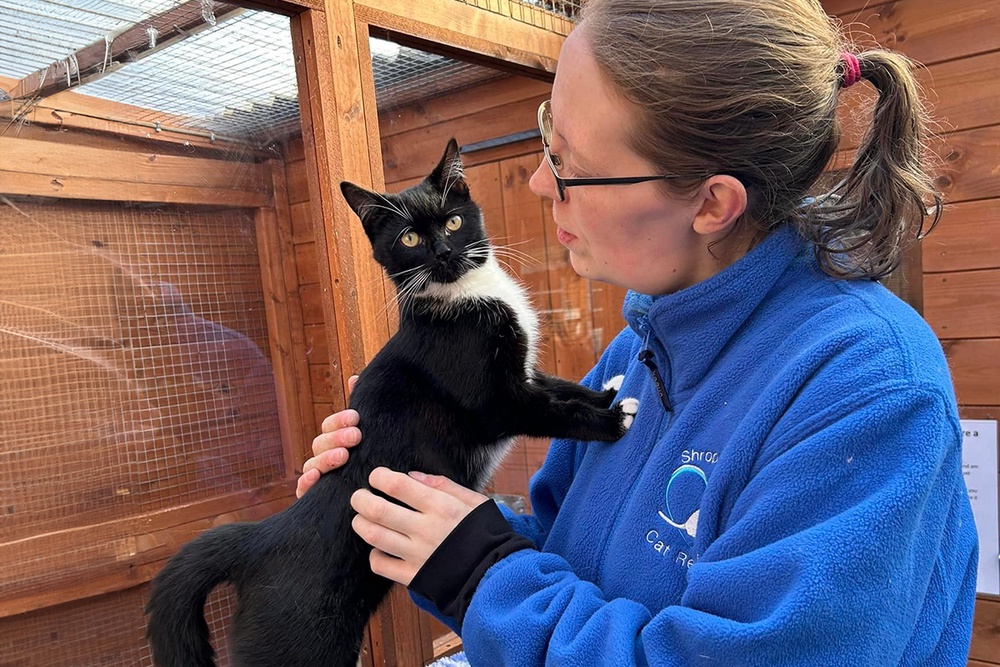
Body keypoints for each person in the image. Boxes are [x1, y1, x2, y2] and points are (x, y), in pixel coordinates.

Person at [296, 0, 978, 664]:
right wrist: (428, 503)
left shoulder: (865, 388)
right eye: (545, 133)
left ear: (712, 203)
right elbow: (562, 553)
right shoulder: (644, 345)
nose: (538, 180)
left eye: (570, 162)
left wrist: (481, 571)